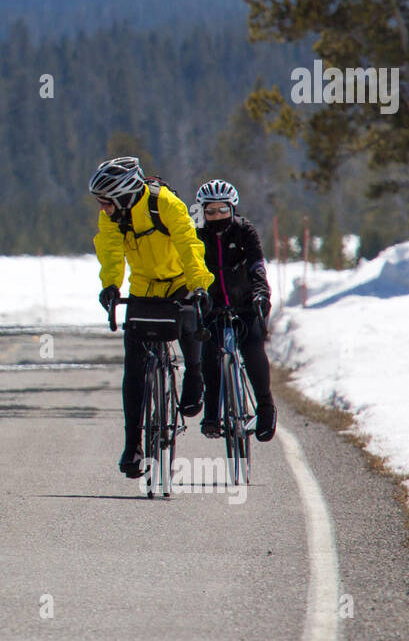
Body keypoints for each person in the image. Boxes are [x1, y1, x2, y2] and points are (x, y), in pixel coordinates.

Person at [90, 156, 214, 478]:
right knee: (134, 366)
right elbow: (110, 250)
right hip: (144, 287)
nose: (103, 209)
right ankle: (133, 445)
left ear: (123, 194)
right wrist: (111, 285)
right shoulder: (113, 218)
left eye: (106, 202)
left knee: (188, 325)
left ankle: (195, 376)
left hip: (179, 280)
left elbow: (189, 243)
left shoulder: (165, 204)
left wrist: (199, 285)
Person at [193, 179, 277, 442]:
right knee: (209, 356)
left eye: (222, 210)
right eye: (210, 211)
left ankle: (265, 406)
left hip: (244, 305)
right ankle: (211, 414)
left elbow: (256, 267)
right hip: (211, 307)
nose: (217, 216)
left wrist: (261, 293)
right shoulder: (196, 235)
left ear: (232, 208)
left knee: (253, 352)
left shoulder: (245, 232)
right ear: (202, 212)